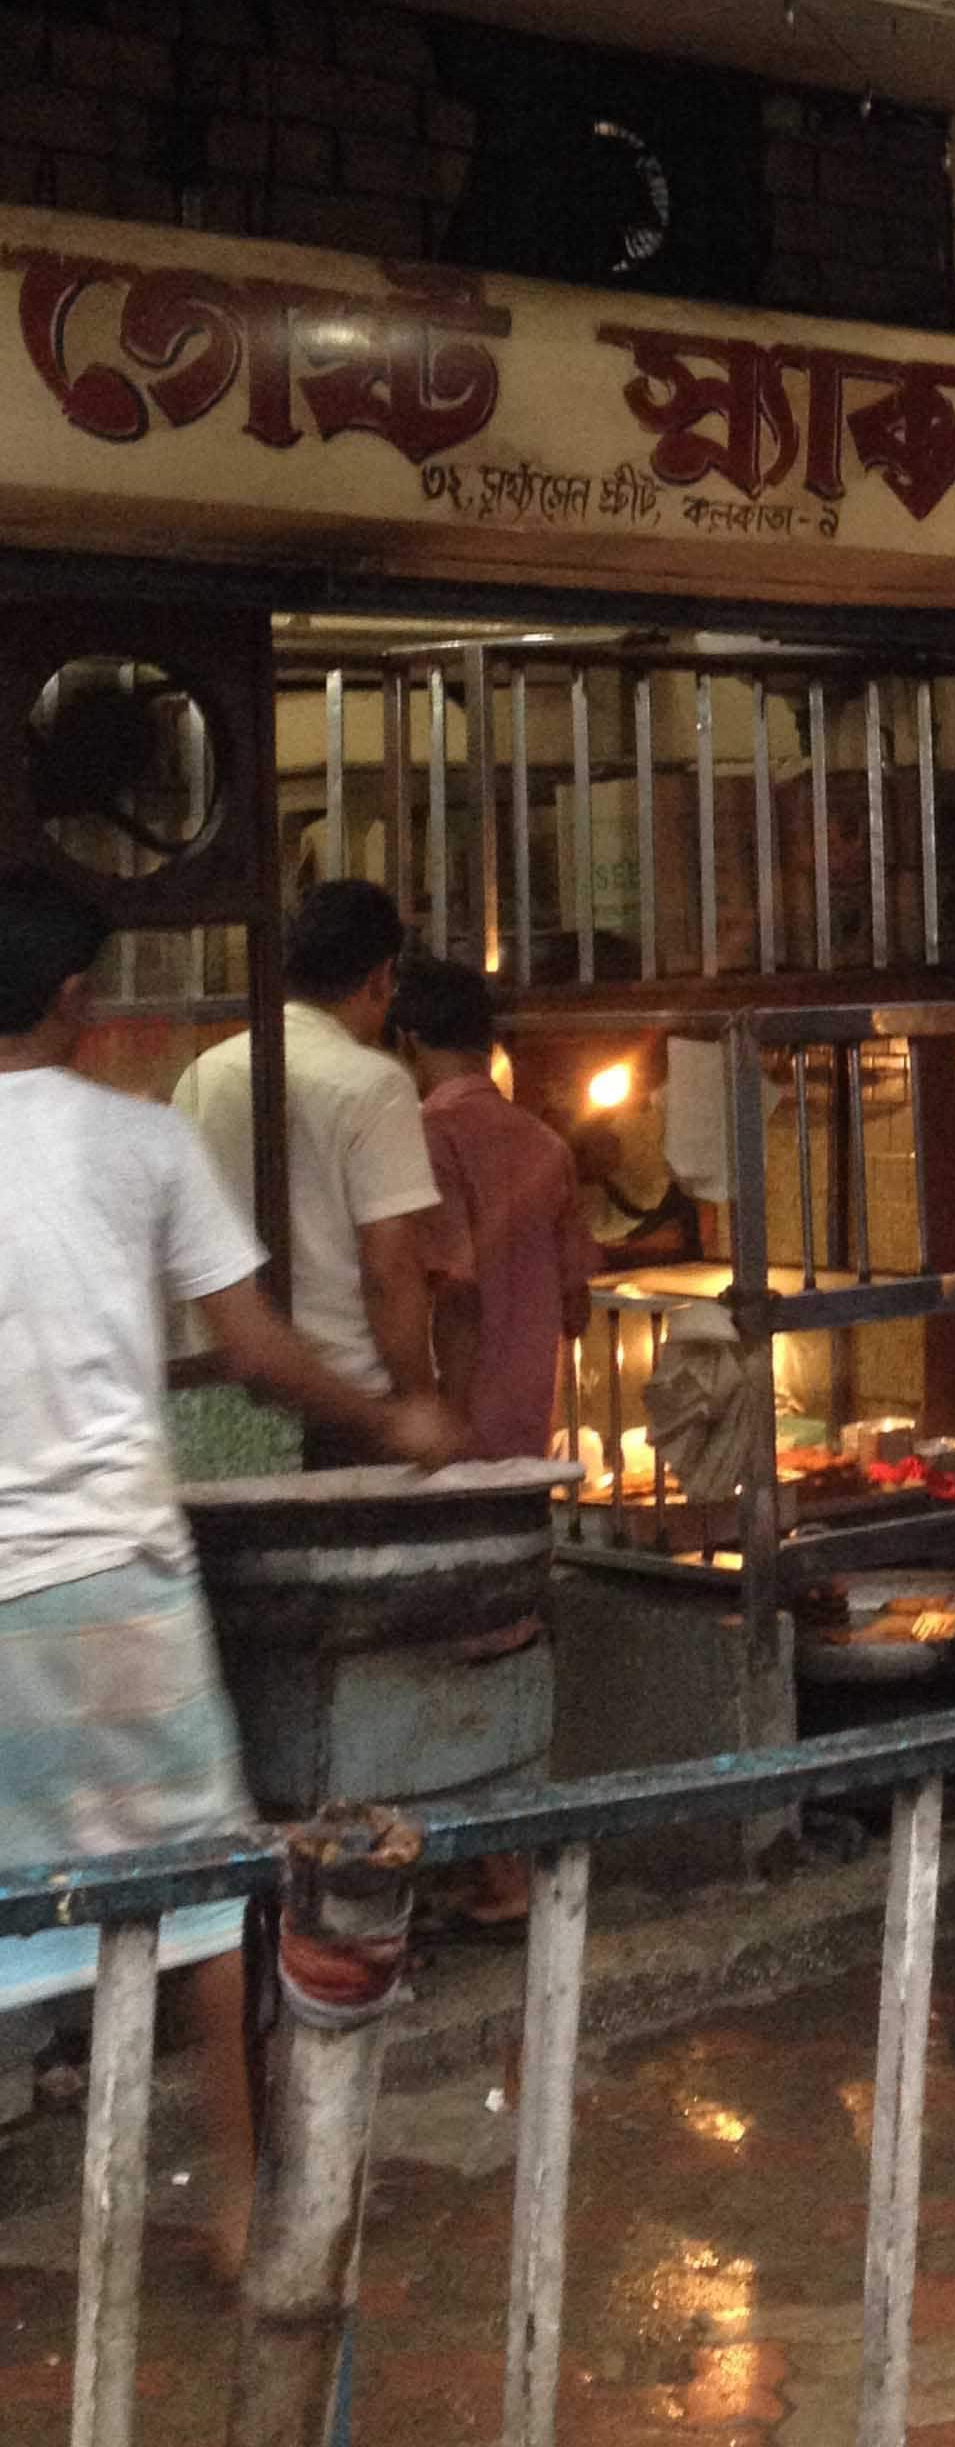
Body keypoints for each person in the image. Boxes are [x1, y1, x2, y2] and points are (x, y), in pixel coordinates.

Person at [0, 866, 460, 2273]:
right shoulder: (134, 1143)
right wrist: (396, 1415)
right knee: (203, 1895)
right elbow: (253, 1348)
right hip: (105, 1576)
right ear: (78, 1002)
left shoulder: (169, 1110)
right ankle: (246, 2204)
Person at [177, 881, 442, 1447]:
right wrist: (420, 1403)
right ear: (380, 978)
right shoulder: (374, 1084)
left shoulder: (204, 1073)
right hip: (344, 1403)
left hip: (218, 1404)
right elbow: (389, 1269)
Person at [389, 954, 597, 1461]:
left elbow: (456, 1287)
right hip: (527, 1426)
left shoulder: (429, 1136)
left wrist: (447, 1417)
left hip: (457, 1429)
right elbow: (577, 1309)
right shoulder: (548, 1145)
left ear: (409, 1042)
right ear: (488, 1046)